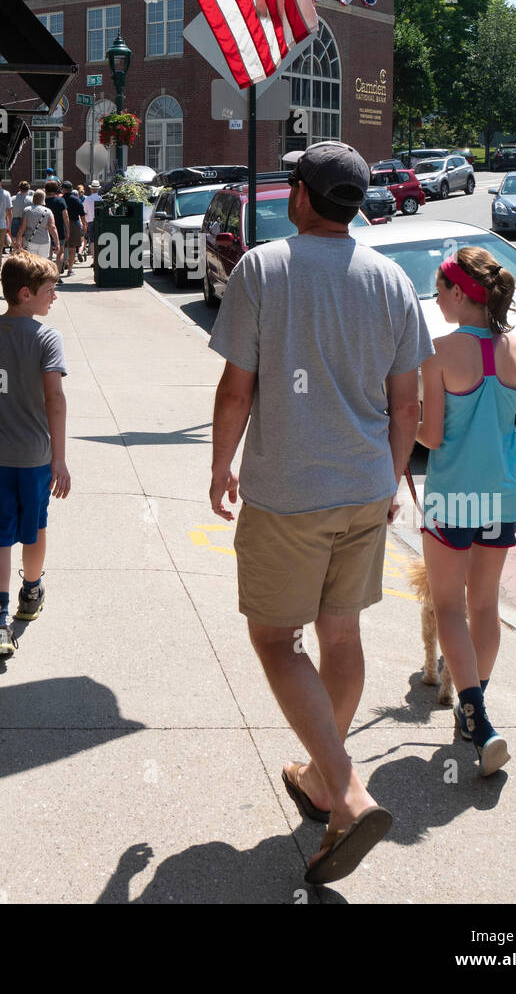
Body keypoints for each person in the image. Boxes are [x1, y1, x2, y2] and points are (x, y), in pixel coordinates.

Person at [208, 142, 432, 886]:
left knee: (276, 640)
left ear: (301, 195)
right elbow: (408, 405)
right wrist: (390, 478)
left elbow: (236, 389)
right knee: (342, 634)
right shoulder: (391, 279)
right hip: (365, 486)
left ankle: (346, 791)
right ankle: (318, 775)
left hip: (288, 492)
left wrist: (220, 465)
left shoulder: (263, 268)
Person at [417, 246, 516, 777]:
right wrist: (509, 476)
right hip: (502, 499)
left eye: (439, 290)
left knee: (449, 607)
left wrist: (403, 420)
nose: (435, 299)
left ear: (460, 292)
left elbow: (431, 436)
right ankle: (474, 708)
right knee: (484, 605)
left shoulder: (438, 353)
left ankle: (478, 719)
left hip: (451, 498)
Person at [0, 252, 70, 659]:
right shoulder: (47, 338)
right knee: (35, 527)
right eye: (49, 290)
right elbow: (55, 398)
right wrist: (59, 458)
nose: (54, 297)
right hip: (34, 456)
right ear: (26, 294)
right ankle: (31, 590)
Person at [14, 189, 59, 259]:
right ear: (43, 199)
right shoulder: (48, 211)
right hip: (44, 241)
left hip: (30, 241)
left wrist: (18, 241)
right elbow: (52, 227)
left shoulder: (27, 210)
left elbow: (22, 228)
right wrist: (57, 243)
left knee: (31, 262)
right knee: (43, 262)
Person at [44, 180, 68, 277]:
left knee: (48, 253)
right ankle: (57, 275)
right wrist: (68, 230)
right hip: (59, 229)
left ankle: (48, 274)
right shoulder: (60, 201)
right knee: (60, 253)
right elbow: (65, 216)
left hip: (45, 229)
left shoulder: (43, 201)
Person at [62, 181, 86, 271]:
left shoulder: (60, 200)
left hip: (62, 224)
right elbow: (82, 215)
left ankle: (63, 263)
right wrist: (84, 226)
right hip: (74, 224)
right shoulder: (77, 200)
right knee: (72, 248)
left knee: (62, 246)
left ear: (63, 189)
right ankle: (70, 269)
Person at [82, 183, 100, 262]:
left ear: (91, 189)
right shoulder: (100, 199)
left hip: (90, 221)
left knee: (92, 241)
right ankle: (98, 260)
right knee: (99, 241)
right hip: (99, 221)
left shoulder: (87, 199)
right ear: (98, 189)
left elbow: (84, 212)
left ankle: (94, 260)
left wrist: (84, 223)